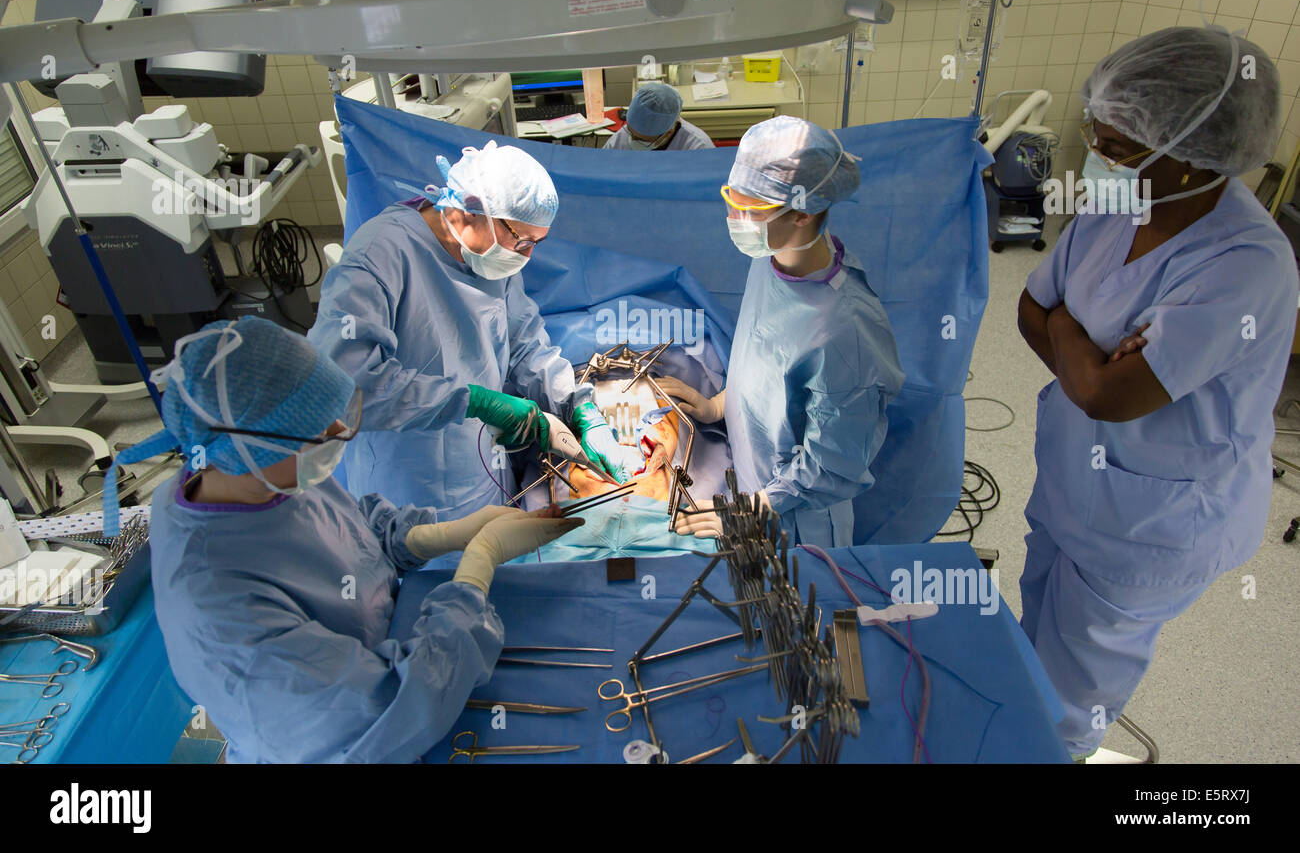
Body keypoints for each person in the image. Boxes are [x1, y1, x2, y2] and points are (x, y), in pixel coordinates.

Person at [102, 317, 581, 763]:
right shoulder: (220, 609)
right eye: (315, 432)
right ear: (248, 444)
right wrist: (478, 565)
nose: (336, 435)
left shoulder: (256, 475)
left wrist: (436, 537)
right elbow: (391, 714)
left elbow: (347, 535)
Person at [1016, 26, 1297, 760]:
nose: (1102, 158)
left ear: (1193, 156)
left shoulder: (1245, 265)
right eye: (1101, 138)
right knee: (1035, 632)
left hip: (1150, 522)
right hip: (1072, 479)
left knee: (1074, 691)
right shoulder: (1123, 204)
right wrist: (1093, 356)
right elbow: (1029, 309)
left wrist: (1074, 337)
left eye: (1120, 146)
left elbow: (1111, 396)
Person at [308, 141, 627, 521]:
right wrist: (471, 401)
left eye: (536, 243)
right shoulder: (379, 256)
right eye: (520, 239)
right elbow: (343, 386)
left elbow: (525, 343)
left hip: (482, 466)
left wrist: (579, 406)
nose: (526, 255)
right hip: (408, 484)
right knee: (431, 569)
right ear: (466, 211)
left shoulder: (493, 259)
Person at [660, 116, 904, 548]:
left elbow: (832, 466)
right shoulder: (772, 257)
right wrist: (718, 405)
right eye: (731, 199)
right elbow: (764, 358)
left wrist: (752, 511)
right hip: (751, 482)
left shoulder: (846, 330)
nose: (735, 218)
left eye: (750, 209)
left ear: (804, 213)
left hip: (798, 528)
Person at [603, 81, 713, 151]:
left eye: (641, 139)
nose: (631, 140)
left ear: (668, 133)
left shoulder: (699, 147)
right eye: (630, 131)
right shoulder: (622, 138)